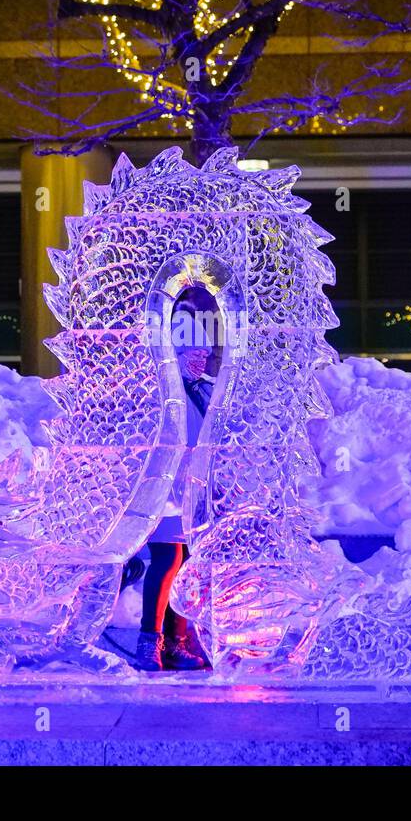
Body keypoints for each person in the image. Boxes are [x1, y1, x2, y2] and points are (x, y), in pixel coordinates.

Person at [134, 287, 221, 672]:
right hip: (163, 489)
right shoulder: (162, 394)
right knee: (168, 558)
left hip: (191, 492)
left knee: (183, 563)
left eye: (205, 355)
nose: (201, 362)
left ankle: (176, 642)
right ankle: (148, 642)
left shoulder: (205, 392)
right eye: (194, 356)